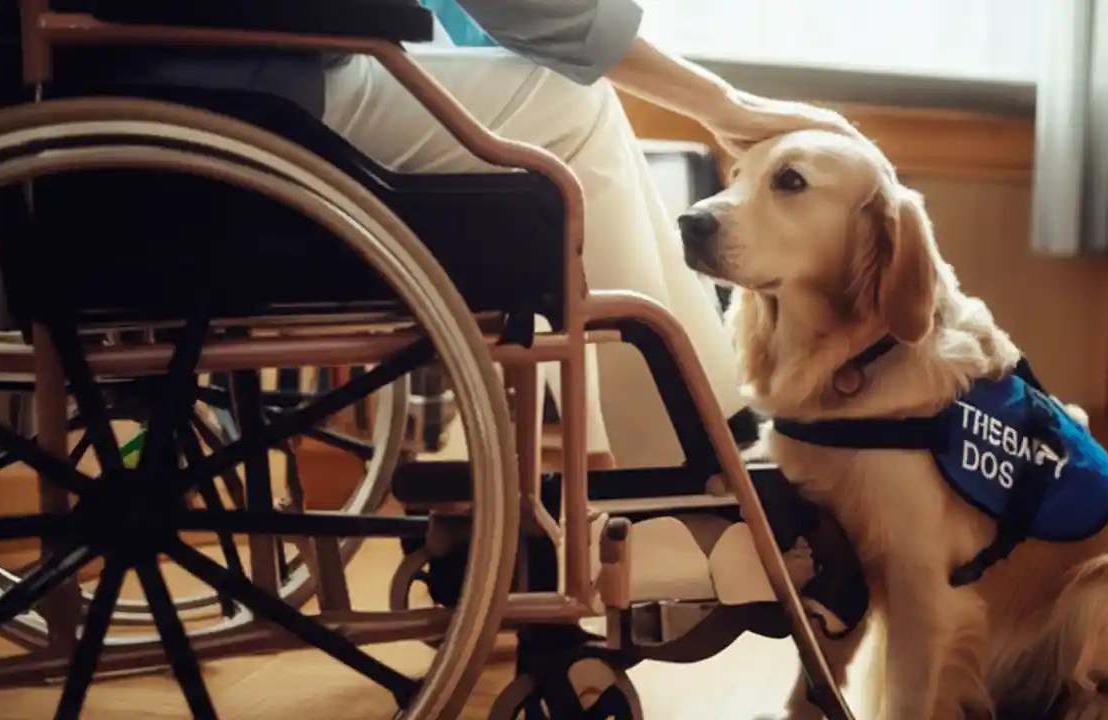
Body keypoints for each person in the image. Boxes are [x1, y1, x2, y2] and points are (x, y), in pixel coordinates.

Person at [321, 0, 864, 468]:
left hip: (266, 70)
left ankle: (693, 445)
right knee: (573, 106)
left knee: (560, 115)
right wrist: (721, 103)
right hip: (281, 77)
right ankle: (678, 471)